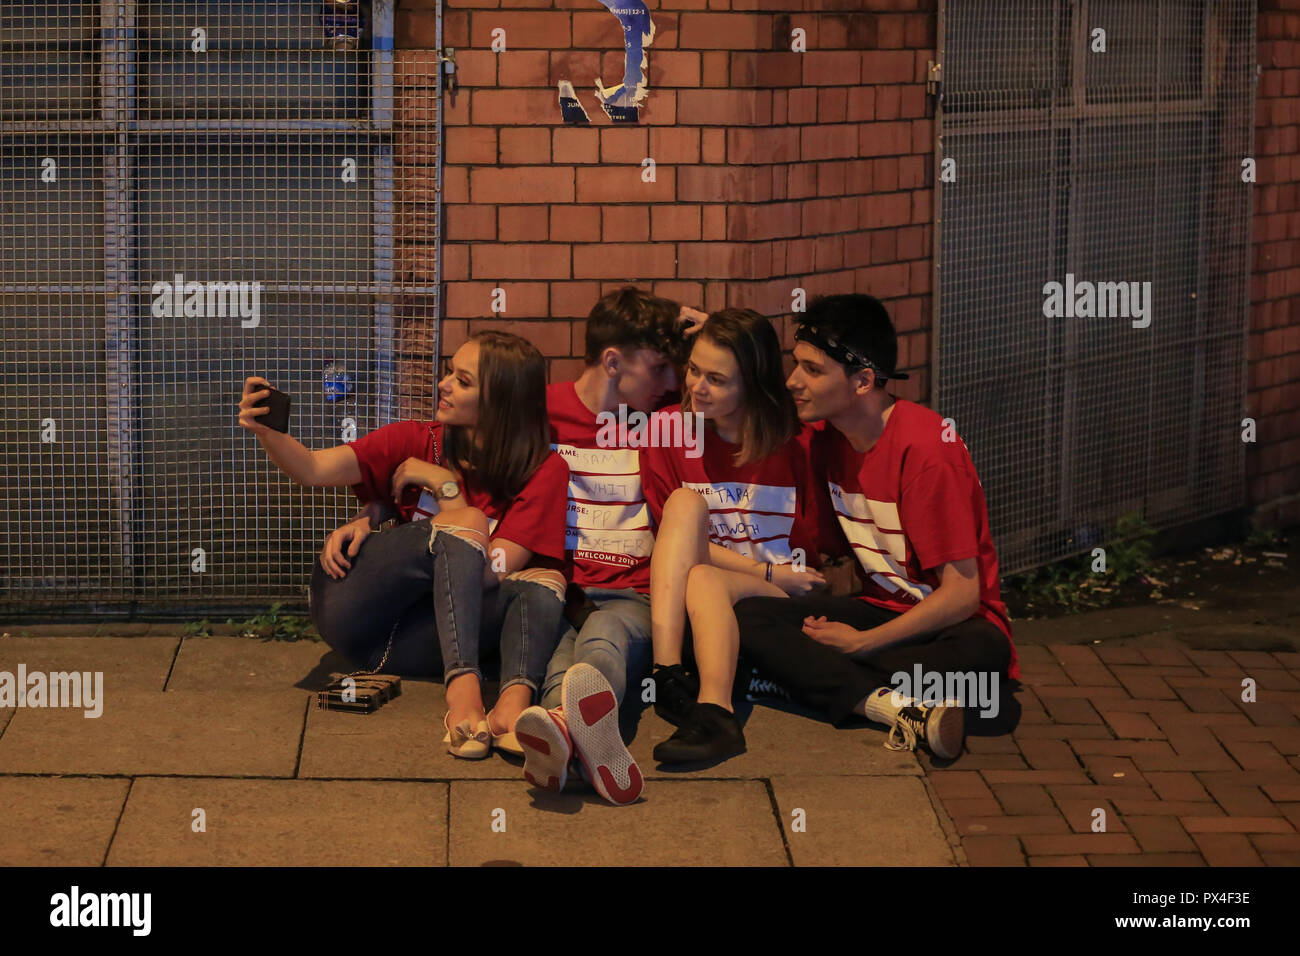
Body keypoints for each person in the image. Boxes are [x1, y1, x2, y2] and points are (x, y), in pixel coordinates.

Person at [237, 330, 570, 760]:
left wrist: (442, 484)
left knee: (544, 580)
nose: (443, 384)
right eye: (450, 372)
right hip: (358, 612)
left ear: (501, 403)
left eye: (463, 381)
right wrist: (268, 432)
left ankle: (510, 712)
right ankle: (462, 698)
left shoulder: (543, 470)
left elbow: (488, 575)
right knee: (467, 523)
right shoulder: (418, 439)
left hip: (421, 640)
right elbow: (315, 468)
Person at [732, 294, 1020, 760]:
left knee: (983, 656)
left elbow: (963, 595)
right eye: (795, 364)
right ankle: (893, 706)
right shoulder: (827, 438)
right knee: (750, 617)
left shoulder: (926, 451)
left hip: (951, 628)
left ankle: (805, 678)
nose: (793, 381)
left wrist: (861, 644)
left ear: (863, 380)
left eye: (812, 370)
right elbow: (753, 398)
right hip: (881, 610)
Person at [512, 287, 688, 805]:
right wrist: (377, 511)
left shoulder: (666, 417)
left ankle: (563, 732)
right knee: (567, 649)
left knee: (604, 629)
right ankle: (572, 733)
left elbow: (750, 381)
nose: (672, 382)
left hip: (636, 595)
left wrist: (711, 324)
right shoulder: (541, 412)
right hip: (559, 593)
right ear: (613, 361)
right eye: (658, 368)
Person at [640, 308, 827, 765]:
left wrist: (779, 578)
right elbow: (677, 546)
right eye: (694, 370)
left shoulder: (799, 441)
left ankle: (712, 707)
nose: (697, 387)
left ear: (753, 383)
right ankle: (667, 675)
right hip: (700, 604)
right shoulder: (668, 431)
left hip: (772, 606)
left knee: (705, 573)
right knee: (685, 510)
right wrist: (766, 570)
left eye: (718, 379)